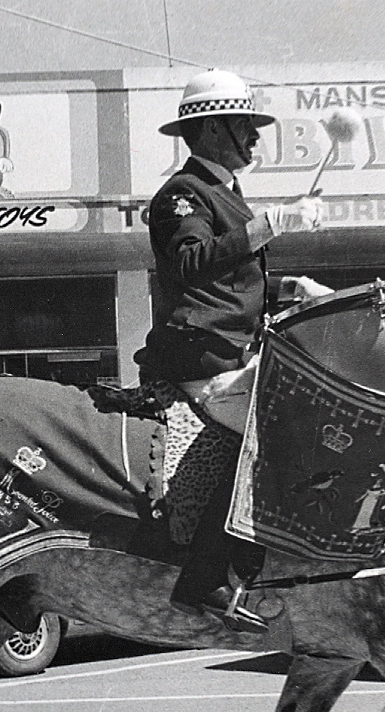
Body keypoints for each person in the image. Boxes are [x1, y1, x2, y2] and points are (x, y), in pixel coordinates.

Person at [133, 68, 330, 633]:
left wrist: (290, 289)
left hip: (230, 349)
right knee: (281, 433)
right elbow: (192, 262)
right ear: (214, 129)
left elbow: (231, 286)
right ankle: (205, 579)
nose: (255, 136)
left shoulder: (224, 193)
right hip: (203, 357)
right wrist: (274, 222)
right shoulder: (181, 194)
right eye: (245, 125)